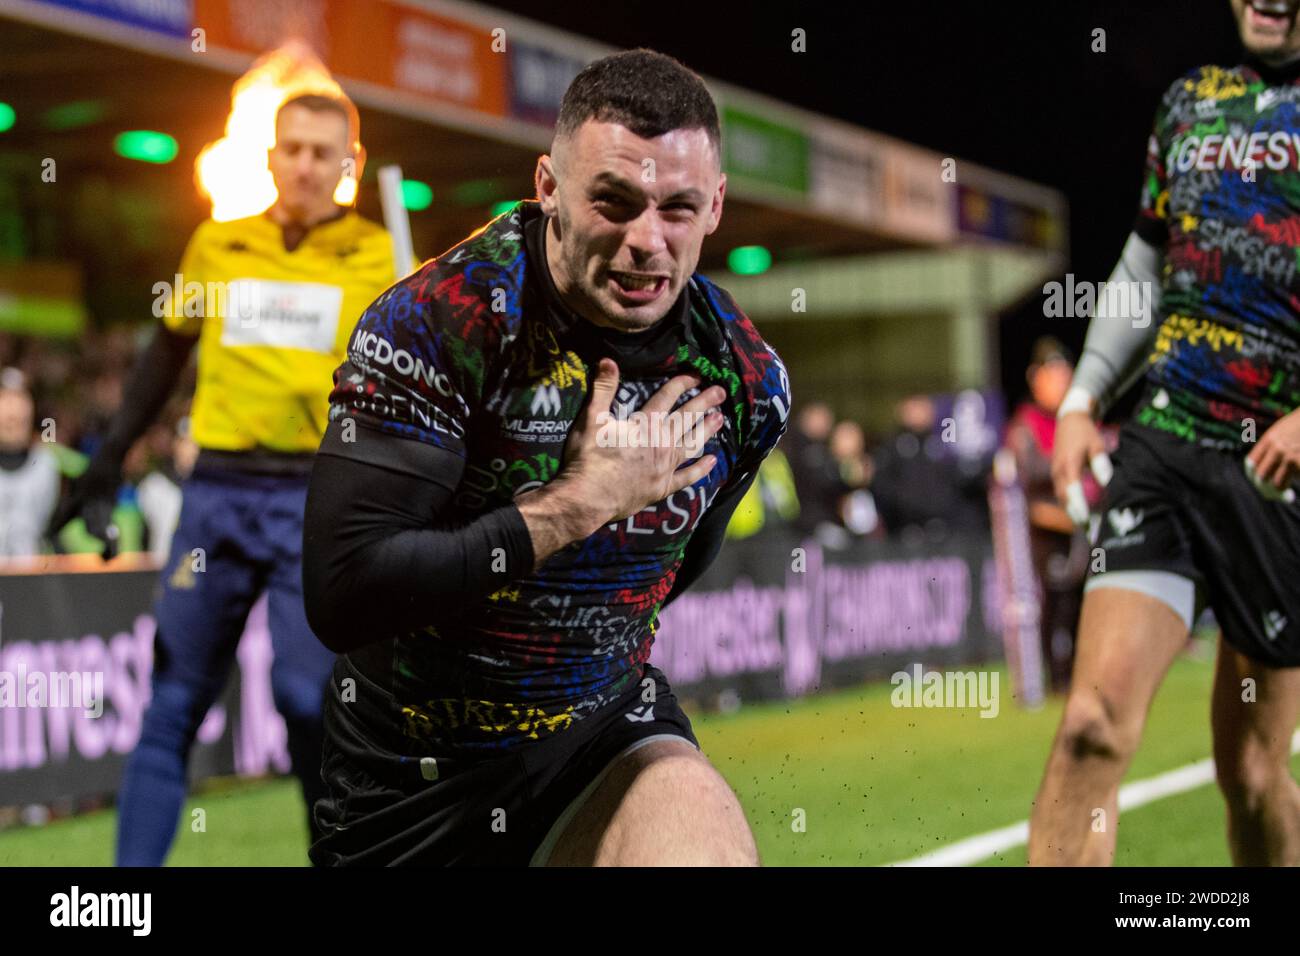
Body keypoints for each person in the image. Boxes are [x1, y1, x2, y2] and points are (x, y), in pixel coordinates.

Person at [303, 48, 790, 866]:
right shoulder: (439, 319)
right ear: (548, 187)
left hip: (603, 737)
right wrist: (577, 506)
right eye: (615, 201)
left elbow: (677, 569)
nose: (647, 242)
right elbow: (343, 593)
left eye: (678, 208)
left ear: (715, 208)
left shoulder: (744, 379)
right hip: (406, 777)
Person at [50, 91, 403, 865]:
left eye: (322, 152)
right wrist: (107, 461)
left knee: (309, 703)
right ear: (270, 156)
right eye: (292, 148)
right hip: (213, 501)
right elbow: (167, 354)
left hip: (316, 502)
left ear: (351, 164)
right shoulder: (218, 243)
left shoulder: (383, 257)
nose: (306, 165)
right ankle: (124, 896)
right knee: (172, 703)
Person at [1030, 0, 1300, 866]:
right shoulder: (1189, 102)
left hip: (1276, 479)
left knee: (1255, 773)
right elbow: (1146, 260)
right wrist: (1083, 399)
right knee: (1089, 729)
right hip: (1163, 441)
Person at [1002, 338, 1092, 693]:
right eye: (1053, 375)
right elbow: (1029, 478)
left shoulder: (1075, 420)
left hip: (1078, 528)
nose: (1061, 382)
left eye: (1064, 374)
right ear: (1035, 378)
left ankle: (1075, 670)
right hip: (1044, 531)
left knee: (1079, 604)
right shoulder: (1026, 425)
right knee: (1053, 604)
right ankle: (1051, 676)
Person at [0, 369, 59, 559]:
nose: (13, 412)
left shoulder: (46, 464)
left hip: (30, 578)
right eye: (5, 399)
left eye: (20, 400)